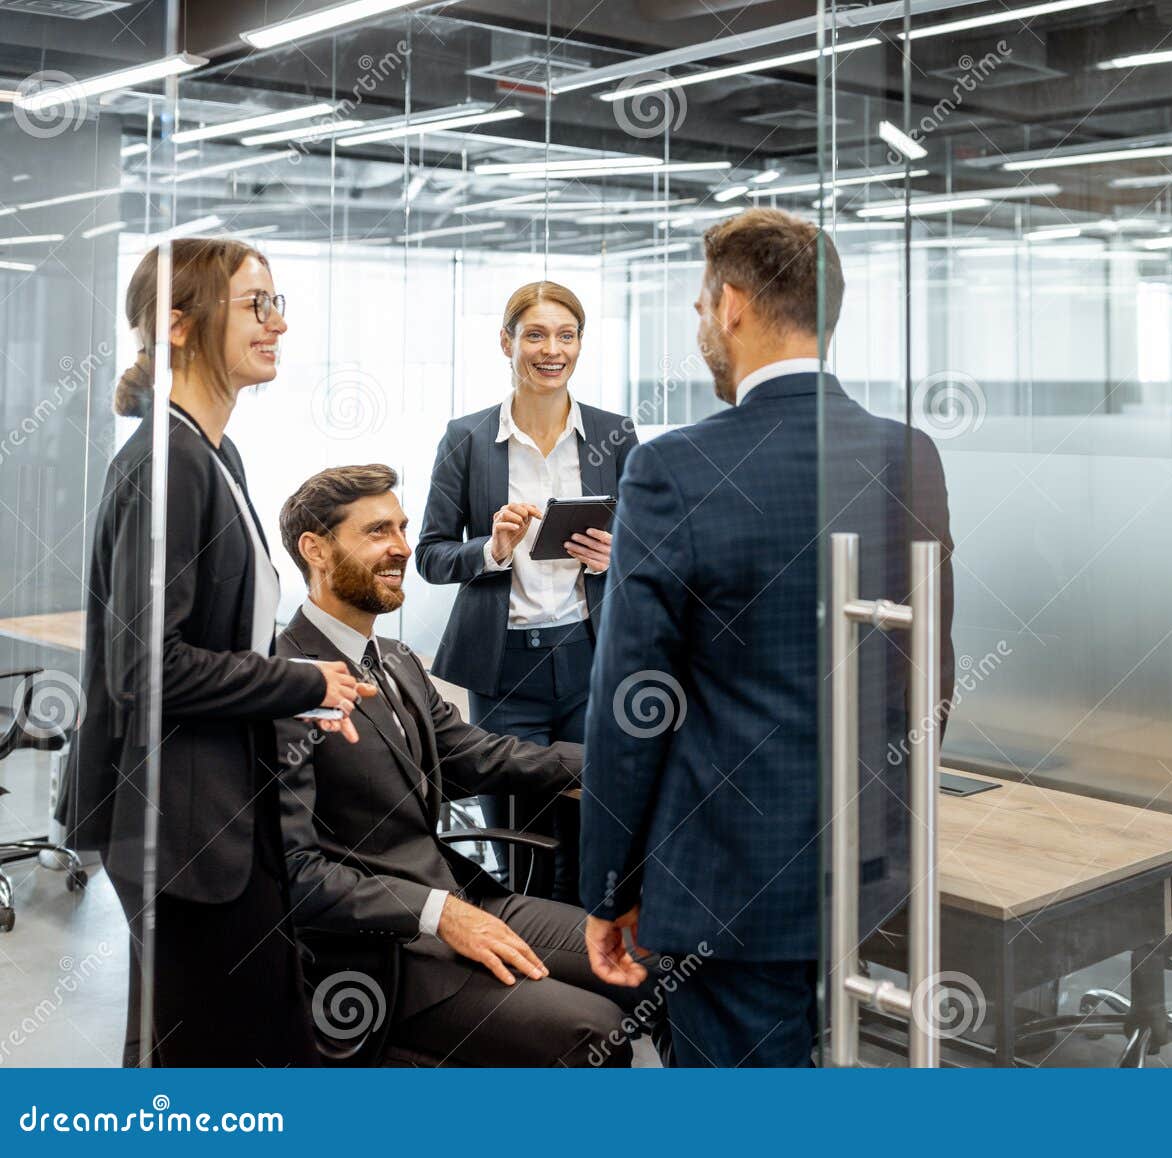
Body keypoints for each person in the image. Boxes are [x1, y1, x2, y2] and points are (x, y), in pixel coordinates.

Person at [580, 209, 956, 1066]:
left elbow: (632, 706)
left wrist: (610, 885)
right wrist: (887, 830)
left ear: (733, 306)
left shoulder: (673, 468)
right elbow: (928, 675)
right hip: (865, 874)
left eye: (700, 305)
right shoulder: (910, 454)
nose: (702, 323)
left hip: (726, 887)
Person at [66, 239, 374, 1067]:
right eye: (255, 305)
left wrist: (298, 693)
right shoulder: (169, 464)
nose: (277, 324)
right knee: (211, 1060)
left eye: (277, 304)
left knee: (229, 1048)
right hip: (186, 830)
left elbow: (218, 641)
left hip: (227, 812)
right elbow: (147, 670)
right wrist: (299, 679)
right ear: (178, 326)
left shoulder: (212, 454)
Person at [276, 464, 656, 1066]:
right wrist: (439, 913)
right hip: (384, 951)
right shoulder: (286, 682)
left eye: (402, 528)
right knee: (596, 1029)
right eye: (377, 531)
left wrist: (618, 766)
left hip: (464, 896)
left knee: (657, 959)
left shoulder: (396, 659)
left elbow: (480, 756)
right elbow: (294, 872)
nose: (403, 547)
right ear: (315, 550)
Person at [416, 281, 636, 899]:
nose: (551, 350)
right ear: (506, 342)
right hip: (504, 672)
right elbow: (430, 555)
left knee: (596, 842)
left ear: (580, 344)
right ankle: (533, 960)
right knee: (524, 848)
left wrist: (616, 558)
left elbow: (654, 549)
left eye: (566, 336)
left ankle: (588, 958)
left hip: (590, 661)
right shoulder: (466, 438)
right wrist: (491, 550)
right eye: (535, 335)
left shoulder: (615, 434)